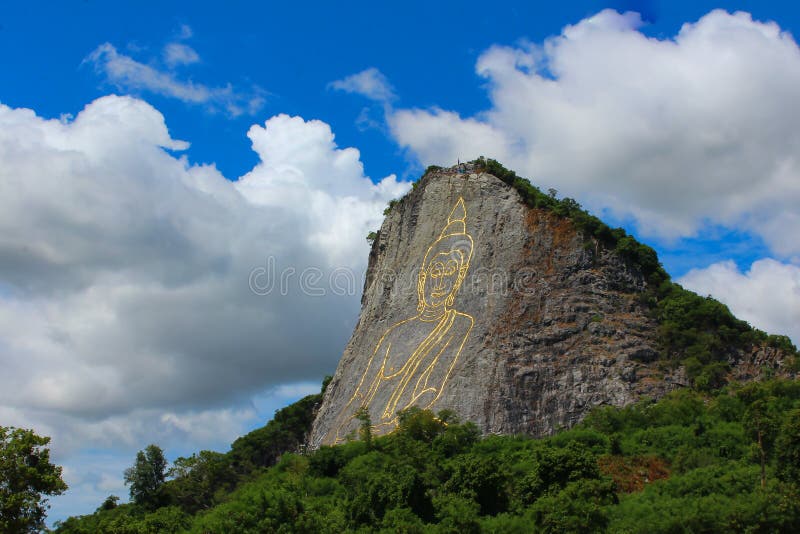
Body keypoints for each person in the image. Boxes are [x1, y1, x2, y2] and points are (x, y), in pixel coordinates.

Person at [332, 198, 475, 443]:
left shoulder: (458, 325)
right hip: (367, 433)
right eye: (436, 272)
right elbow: (360, 395)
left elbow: (432, 388)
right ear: (423, 278)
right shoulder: (393, 335)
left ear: (457, 280)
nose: (440, 282)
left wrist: (398, 422)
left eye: (449, 273)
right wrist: (336, 433)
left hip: (406, 430)